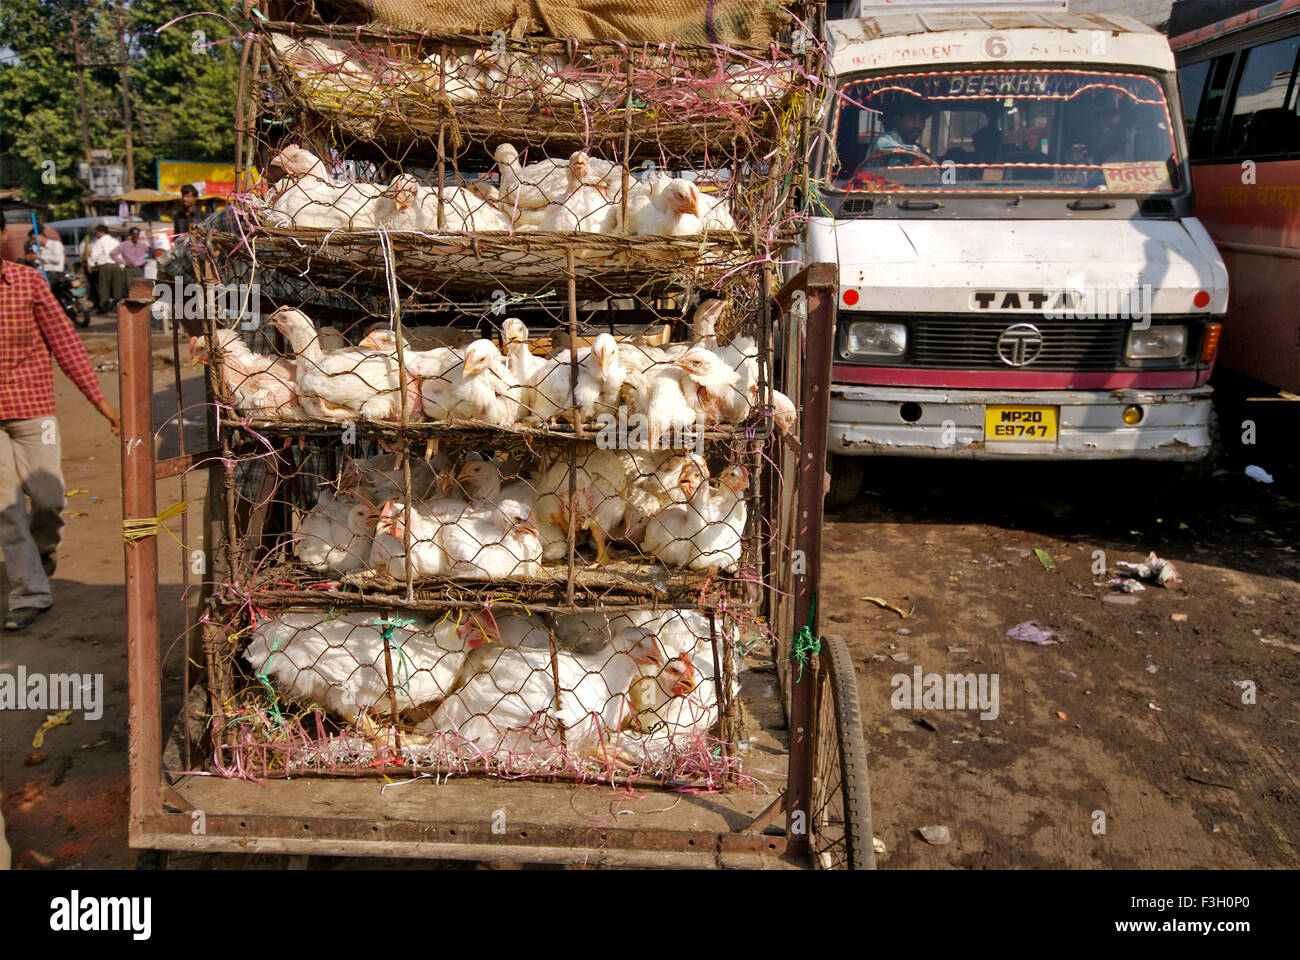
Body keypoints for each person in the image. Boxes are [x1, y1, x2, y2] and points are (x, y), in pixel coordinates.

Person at [0, 219, 120, 631]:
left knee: (49, 498)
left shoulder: (28, 284)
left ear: (3, 237)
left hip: (33, 410)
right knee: (6, 509)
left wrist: (103, 406)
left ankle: (43, 548)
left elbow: (67, 346)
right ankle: (29, 594)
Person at [862, 100, 936, 169]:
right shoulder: (884, 140)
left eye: (921, 119)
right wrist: (917, 153)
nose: (917, 125)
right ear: (897, 120)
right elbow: (882, 146)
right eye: (911, 119)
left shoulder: (920, 149)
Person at [84, 224, 123, 312]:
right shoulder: (115, 241)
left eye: (96, 232)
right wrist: (121, 266)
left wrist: (90, 264)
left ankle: (104, 306)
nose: (96, 234)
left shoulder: (100, 241)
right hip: (116, 265)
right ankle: (116, 306)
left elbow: (94, 254)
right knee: (116, 287)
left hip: (105, 266)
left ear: (100, 232)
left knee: (103, 287)